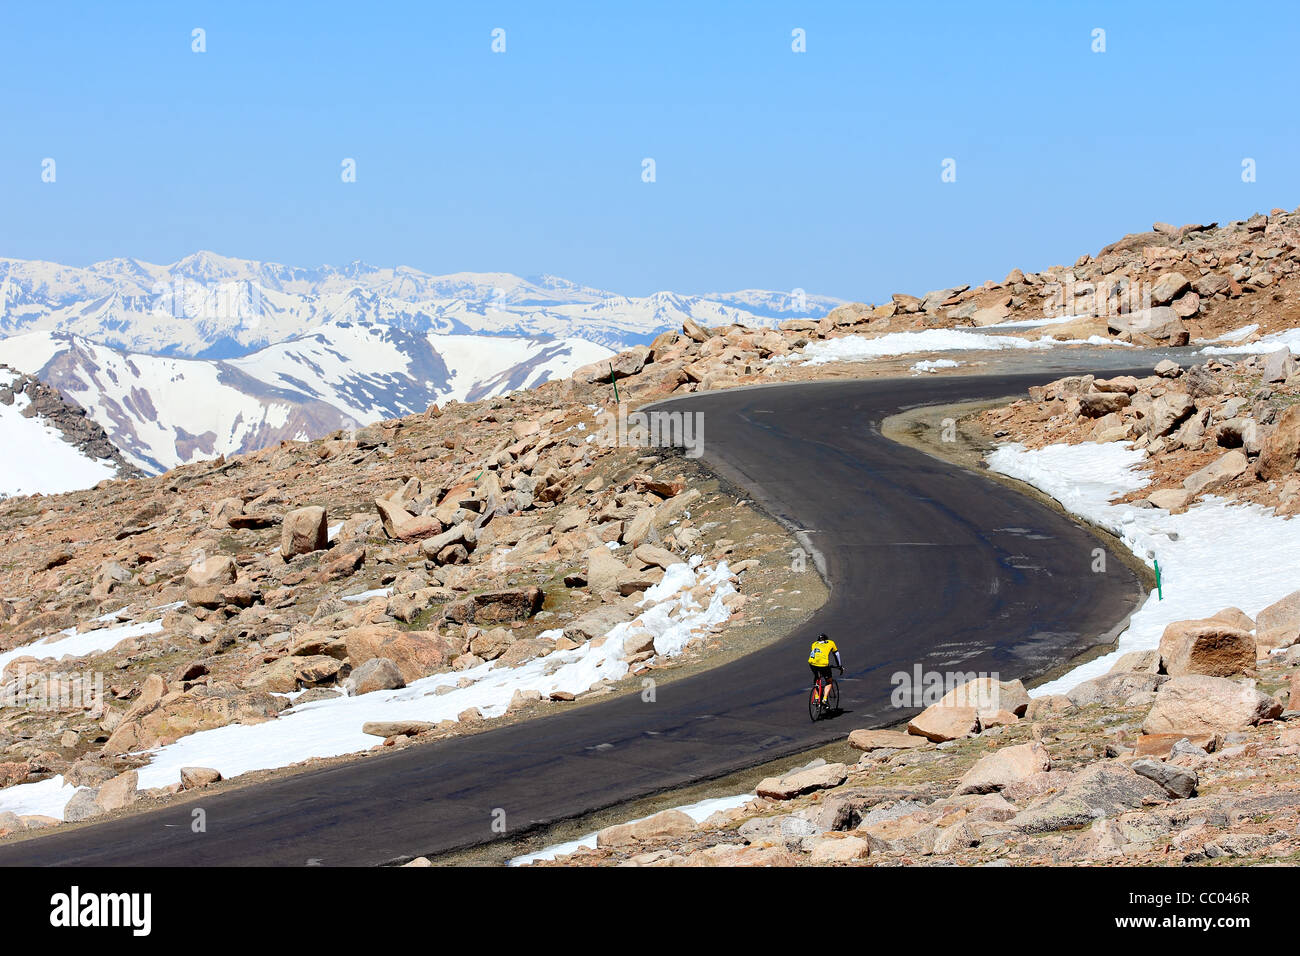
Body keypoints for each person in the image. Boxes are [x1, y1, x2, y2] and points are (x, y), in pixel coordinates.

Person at [807, 632, 842, 702]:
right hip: (823, 664)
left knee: (816, 677)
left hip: (812, 663)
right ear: (826, 639)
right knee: (829, 681)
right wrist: (839, 666)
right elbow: (836, 654)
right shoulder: (831, 642)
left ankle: (816, 697)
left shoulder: (814, 644)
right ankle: (825, 699)